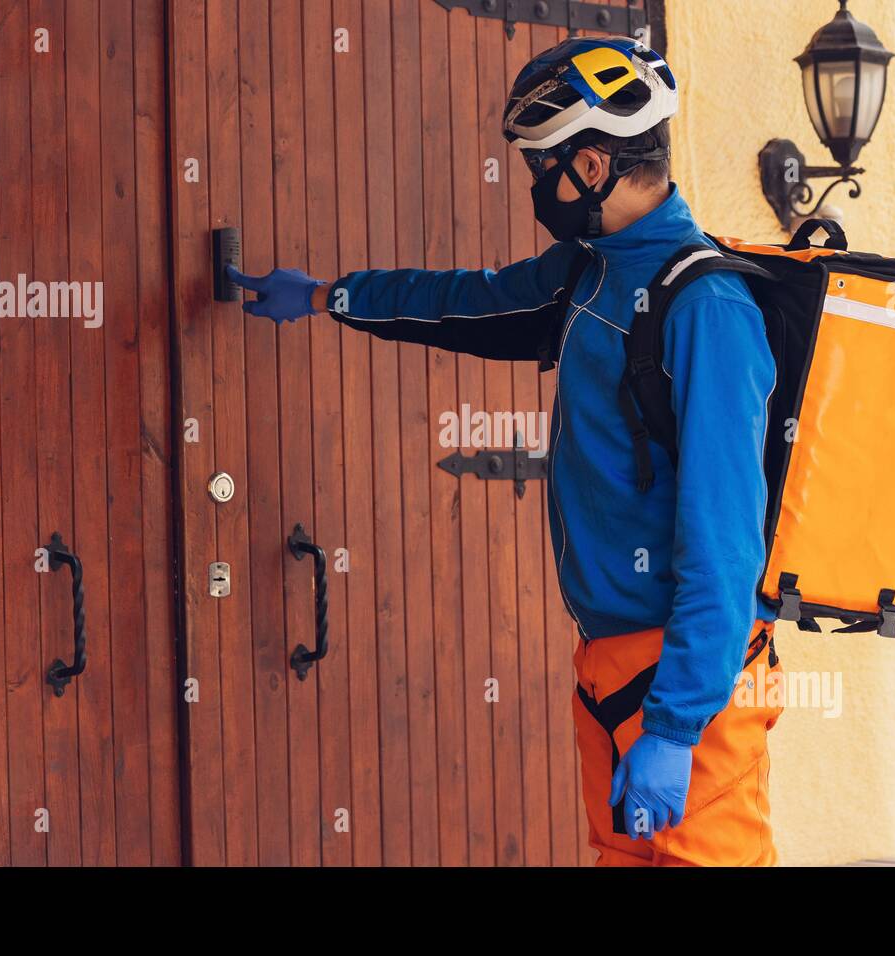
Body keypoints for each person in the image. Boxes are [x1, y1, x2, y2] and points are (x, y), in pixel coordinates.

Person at [229, 35, 784, 866]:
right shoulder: (588, 273)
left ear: (591, 167)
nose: (535, 186)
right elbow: (463, 304)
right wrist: (324, 296)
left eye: (541, 166)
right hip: (611, 668)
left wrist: (673, 726)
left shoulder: (706, 309)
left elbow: (725, 546)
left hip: (689, 689)